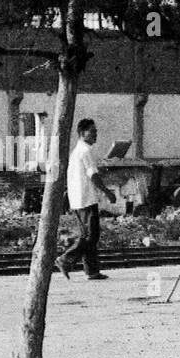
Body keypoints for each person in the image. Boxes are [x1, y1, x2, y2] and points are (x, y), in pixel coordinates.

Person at [58, 118, 117, 281]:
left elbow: (90, 174)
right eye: (92, 131)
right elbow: (93, 176)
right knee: (91, 236)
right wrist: (107, 192)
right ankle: (65, 260)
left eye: (96, 131)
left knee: (88, 235)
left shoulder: (78, 151)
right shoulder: (85, 151)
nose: (95, 134)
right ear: (82, 133)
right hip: (86, 199)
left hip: (78, 199)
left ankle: (92, 271)